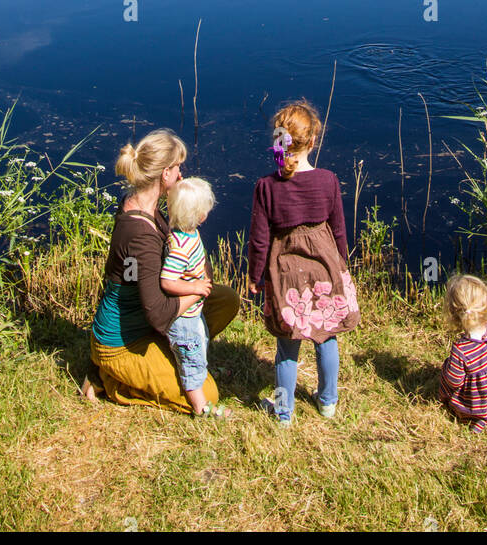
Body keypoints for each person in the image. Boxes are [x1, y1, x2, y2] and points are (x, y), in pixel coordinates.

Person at [84, 129, 238, 412]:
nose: (181, 175)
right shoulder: (139, 233)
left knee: (225, 299)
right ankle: (110, 379)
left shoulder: (148, 208)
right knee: (208, 394)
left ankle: (175, 354)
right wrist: (196, 290)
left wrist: (200, 280)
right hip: (122, 343)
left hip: (146, 317)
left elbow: (191, 264)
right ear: (165, 173)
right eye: (178, 167)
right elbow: (157, 313)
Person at [248, 100, 359, 425]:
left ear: (278, 142)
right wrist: (343, 266)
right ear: (313, 142)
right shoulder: (328, 181)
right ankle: (328, 401)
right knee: (327, 336)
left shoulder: (267, 187)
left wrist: (256, 276)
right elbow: (338, 230)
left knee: (287, 345)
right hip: (325, 270)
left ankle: (284, 412)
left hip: (286, 275)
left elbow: (259, 241)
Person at [160, 176, 231, 418]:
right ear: (200, 216)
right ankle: (201, 407)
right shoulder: (181, 246)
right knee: (191, 357)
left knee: (199, 344)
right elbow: (167, 281)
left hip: (193, 312)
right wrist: (196, 288)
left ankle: (203, 374)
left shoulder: (185, 233)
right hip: (184, 318)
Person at [438, 274, 487, 432]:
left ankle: (475, 418)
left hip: (478, 409)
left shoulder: (461, 350)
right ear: (486, 304)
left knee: (447, 374)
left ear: (454, 313)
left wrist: (446, 368)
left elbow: (453, 382)